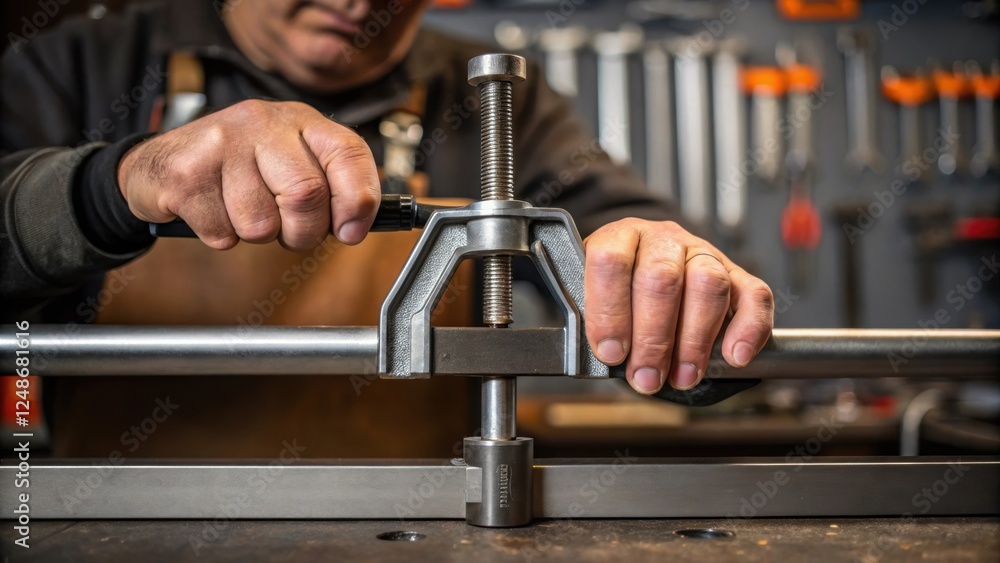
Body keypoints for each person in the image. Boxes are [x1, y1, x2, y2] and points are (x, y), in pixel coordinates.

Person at [0, 0, 775, 457]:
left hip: (419, 531)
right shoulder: (77, 65)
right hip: (122, 530)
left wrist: (674, 290)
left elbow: (637, 266)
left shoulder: (505, 102)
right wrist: (116, 185)